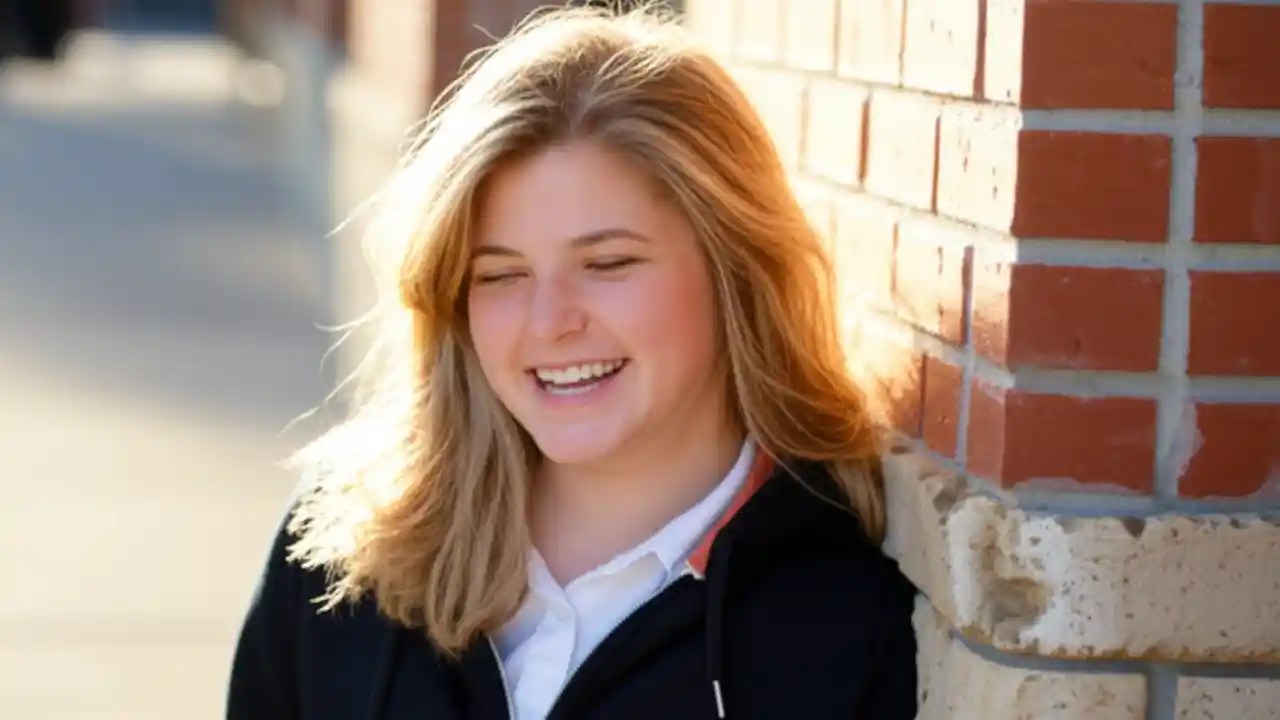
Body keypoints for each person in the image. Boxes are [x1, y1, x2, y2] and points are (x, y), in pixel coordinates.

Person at [227, 5, 917, 719]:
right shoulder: (345, 555)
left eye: (608, 263)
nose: (550, 323)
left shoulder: (852, 623)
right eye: (500, 274)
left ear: (735, 270)